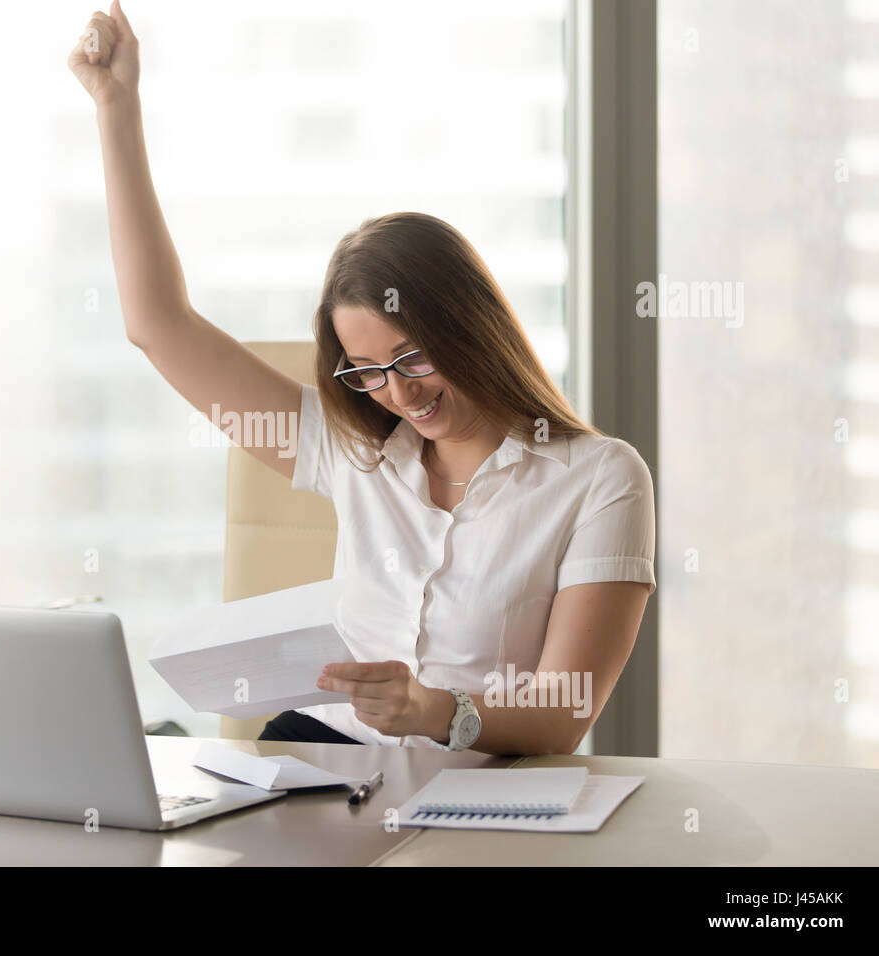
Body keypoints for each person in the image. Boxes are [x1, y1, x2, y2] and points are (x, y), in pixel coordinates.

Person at [68, 2, 655, 754]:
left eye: (414, 357)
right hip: (329, 770)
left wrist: (433, 708)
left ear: (470, 326)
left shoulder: (600, 479)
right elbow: (158, 325)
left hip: (482, 793)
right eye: (370, 372)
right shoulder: (355, 451)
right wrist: (116, 109)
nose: (401, 394)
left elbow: (561, 714)